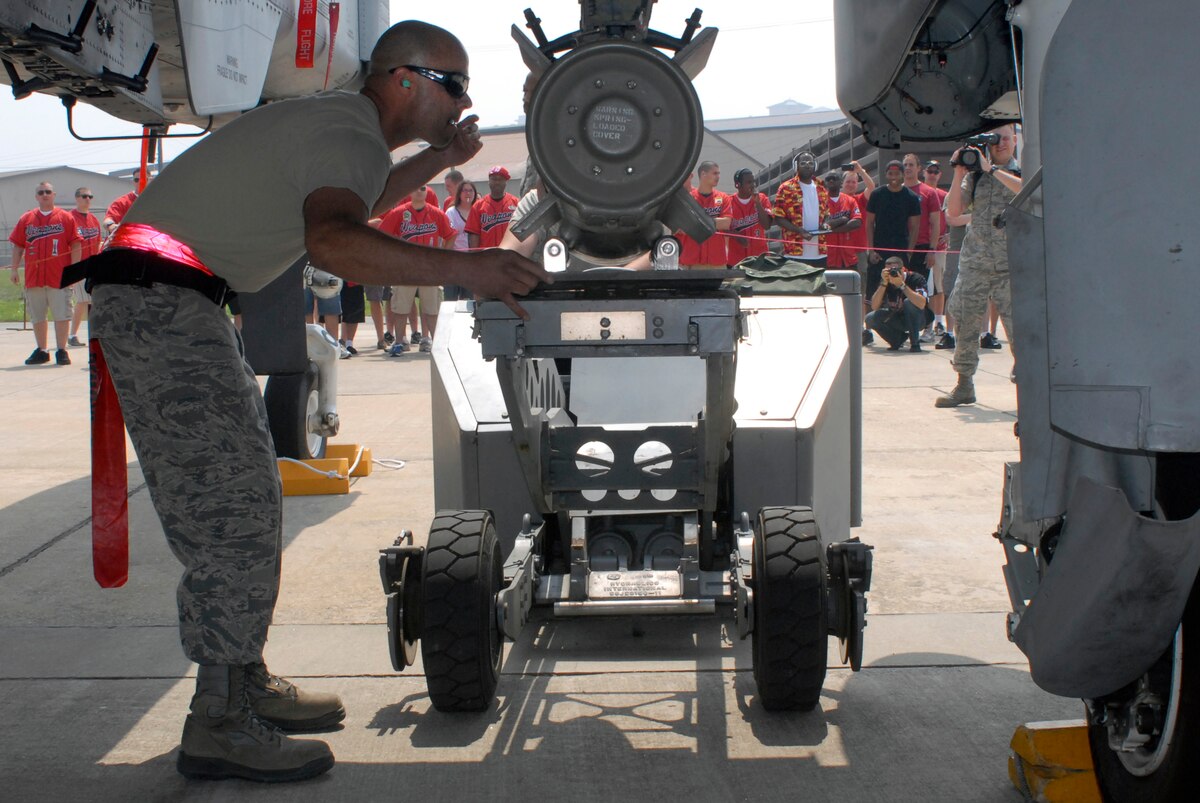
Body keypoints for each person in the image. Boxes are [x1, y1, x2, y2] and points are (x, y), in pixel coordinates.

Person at [64, 20, 549, 782]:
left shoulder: (343, 132)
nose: (462, 99)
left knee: (246, 498)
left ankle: (240, 681)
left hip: (167, 297)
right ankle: (220, 718)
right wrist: (471, 268)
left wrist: (439, 158)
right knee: (233, 510)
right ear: (403, 81)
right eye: (452, 84)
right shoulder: (347, 131)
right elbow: (333, 240)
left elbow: (357, 199)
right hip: (165, 302)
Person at [936, 124, 1022, 407]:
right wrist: (960, 171)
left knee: (1020, 327)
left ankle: (1029, 384)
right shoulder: (974, 177)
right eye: (995, 140)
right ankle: (964, 384)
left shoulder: (1021, 172)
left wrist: (992, 169)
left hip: (1011, 264)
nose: (1001, 144)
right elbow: (954, 212)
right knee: (966, 322)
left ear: (1015, 141)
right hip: (976, 262)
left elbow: (1028, 192)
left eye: (1006, 139)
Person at [8, 182, 81, 365]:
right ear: (36, 197)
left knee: (62, 314)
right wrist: (14, 269)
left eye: (48, 192)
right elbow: (18, 245)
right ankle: (42, 350)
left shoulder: (65, 217)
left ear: (54, 195)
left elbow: (76, 244)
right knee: (38, 315)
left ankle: (61, 350)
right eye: (41, 192)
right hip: (34, 277)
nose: (45, 195)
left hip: (59, 276)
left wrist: (75, 271)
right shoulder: (27, 219)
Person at [378, 184, 457, 352]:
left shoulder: (436, 213)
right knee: (401, 307)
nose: (419, 191)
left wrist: (442, 256)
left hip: (429, 268)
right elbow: (383, 234)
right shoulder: (399, 212)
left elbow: (450, 235)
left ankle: (436, 343)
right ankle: (400, 342)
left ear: (427, 191)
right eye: (414, 188)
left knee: (431, 308)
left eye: (422, 188)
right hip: (406, 268)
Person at [865, 160, 921, 295]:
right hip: (879, 250)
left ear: (903, 175)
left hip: (901, 249)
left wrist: (909, 252)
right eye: (890, 173)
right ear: (886, 175)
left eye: (897, 173)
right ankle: (868, 316)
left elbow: (915, 227)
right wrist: (871, 251)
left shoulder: (911, 197)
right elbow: (869, 223)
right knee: (873, 289)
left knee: (899, 290)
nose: (894, 177)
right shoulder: (877, 195)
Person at [772, 151, 830, 264]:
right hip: (794, 252)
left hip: (819, 253)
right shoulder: (786, 188)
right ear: (796, 166)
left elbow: (827, 214)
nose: (807, 165)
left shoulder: (822, 187)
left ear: (815, 166)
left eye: (810, 163)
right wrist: (799, 231)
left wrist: (825, 224)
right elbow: (778, 217)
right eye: (803, 163)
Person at [865, 255, 930, 352]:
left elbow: (921, 303)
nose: (892, 273)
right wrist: (883, 283)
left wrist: (902, 285)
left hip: (919, 319)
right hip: (898, 318)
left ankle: (915, 343)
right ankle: (896, 340)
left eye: (895, 270)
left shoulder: (916, 278)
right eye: (888, 271)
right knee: (870, 318)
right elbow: (874, 306)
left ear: (903, 269)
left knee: (908, 302)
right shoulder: (886, 281)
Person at [677, 161, 731, 268]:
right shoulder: (688, 199)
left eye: (718, 173)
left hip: (716, 262)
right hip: (691, 262)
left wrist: (696, 222)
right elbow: (680, 227)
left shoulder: (723, 197)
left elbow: (726, 223)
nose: (718, 177)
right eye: (714, 173)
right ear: (703, 174)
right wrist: (714, 222)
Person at [67, 187, 102, 346]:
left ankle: (91, 333)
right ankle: (73, 335)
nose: (88, 199)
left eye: (90, 196)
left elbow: (98, 242)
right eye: (84, 196)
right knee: (83, 301)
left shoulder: (93, 219)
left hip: (93, 265)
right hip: (78, 265)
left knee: (90, 301)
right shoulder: (70, 218)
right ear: (77, 198)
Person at [922, 160, 951, 344]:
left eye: (935, 171)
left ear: (940, 175)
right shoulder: (919, 192)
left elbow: (953, 216)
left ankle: (939, 322)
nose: (932, 174)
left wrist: (949, 235)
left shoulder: (944, 195)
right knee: (925, 288)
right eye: (929, 171)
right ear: (923, 172)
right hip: (921, 248)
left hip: (939, 249)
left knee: (939, 287)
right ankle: (925, 324)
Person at [724, 168, 772, 266]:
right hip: (736, 260)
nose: (753, 185)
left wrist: (757, 203)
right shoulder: (728, 202)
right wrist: (736, 236)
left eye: (754, 182)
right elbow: (721, 229)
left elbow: (766, 225)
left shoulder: (762, 198)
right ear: (738, 185)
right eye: (749, 182)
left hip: (760, 258)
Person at [466, 165, 518, 250]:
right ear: (489, 182)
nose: (497, 182)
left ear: (506, 182)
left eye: (500, 179)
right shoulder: (478, 206)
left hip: (510, 253)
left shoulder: (516, 203)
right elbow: (473, 234)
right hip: (487, 256)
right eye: (494, 179)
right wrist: (474, 257)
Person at [443, 179, 478, 300]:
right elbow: (447, 236)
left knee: (469, 300)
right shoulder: (451, 212)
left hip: (472, 262)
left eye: (470, 190)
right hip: (454, 260)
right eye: (464, 190)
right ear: (459, 193)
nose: (467, 193)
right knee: (451, 299)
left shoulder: (479, 210)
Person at [822, 171, 863, 270]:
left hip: (848, 257)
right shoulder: (820, 201)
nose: (831, 181)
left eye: (834, 178)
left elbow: (857, 222)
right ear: (824, 183)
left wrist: (832, 229)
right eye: (828, 179)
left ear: (841, 182)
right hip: (828, 258)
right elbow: (823, 227)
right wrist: (843, 219)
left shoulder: (850, 200)